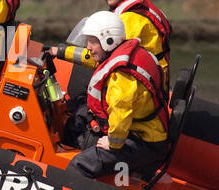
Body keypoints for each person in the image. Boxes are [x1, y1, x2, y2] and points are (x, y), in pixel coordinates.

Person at [64, 11, 170, 180]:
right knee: (73, 127)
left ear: (108, 40)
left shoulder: (121, 78)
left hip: (143, 143)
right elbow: (92, 59)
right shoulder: (125, 52)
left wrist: (113, 144)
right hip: (138, 134)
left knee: (79, 166)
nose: (88, 47)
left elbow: (121, 114)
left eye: (92, 41)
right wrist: (60, 52)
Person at [57, 0, 173, 87]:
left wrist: (61, 52)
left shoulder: (131, 19)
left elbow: (105, 57)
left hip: (142, 87)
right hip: (147, 79)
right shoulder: (138, 9)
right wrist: (61, 50)